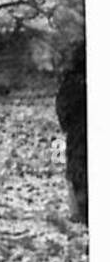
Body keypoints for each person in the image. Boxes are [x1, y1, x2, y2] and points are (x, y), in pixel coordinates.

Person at [56, 41, 87, 224]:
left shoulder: (72, 82)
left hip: (78, 136)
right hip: (79, 134)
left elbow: (63, 114)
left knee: (77, 175)